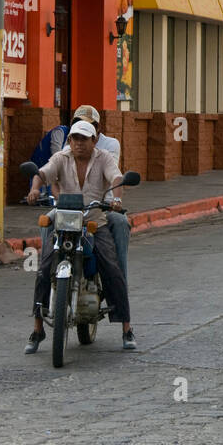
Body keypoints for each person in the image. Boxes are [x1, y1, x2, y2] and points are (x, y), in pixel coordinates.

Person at [25, 121, 134, 352]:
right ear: (69, 141)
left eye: (84, 139)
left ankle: (126, 329)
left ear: (94, 141)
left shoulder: (104, 157)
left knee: (112, 269)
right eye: (74, 138)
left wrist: (116, 199)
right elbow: (43, 174)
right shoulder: (61, 158)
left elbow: (116, 178)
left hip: (95, 221)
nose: (78, 143)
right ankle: (37, 329)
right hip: (65, 221)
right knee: (44, 268)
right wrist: (35, 189)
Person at [65, 105, 128, 287]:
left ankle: (119, 286)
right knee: (47, 222)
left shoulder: (110, 145)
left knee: (120, 222)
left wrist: (116, 200)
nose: (81, 132)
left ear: (97, 130)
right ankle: (43, 295)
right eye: (78, 124)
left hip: (102, 206)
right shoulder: (68, 144)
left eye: (88, 125)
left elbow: (107, 177)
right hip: (73, 206)